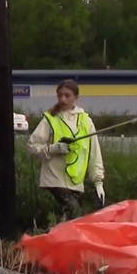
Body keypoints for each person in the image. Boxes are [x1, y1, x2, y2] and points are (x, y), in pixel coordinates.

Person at [27, 79, 105, 219]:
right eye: (60, 95)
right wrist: (53, 149)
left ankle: (49, 237)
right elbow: (32, 147)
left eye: (67, 96)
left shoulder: (85, 121)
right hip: (54, 178)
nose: (63, 99)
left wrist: (98, 182)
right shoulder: (50, 118)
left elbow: (94, 154)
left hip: (75, 182)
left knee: (69, 220)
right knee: (76, 215)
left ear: (76, 98)